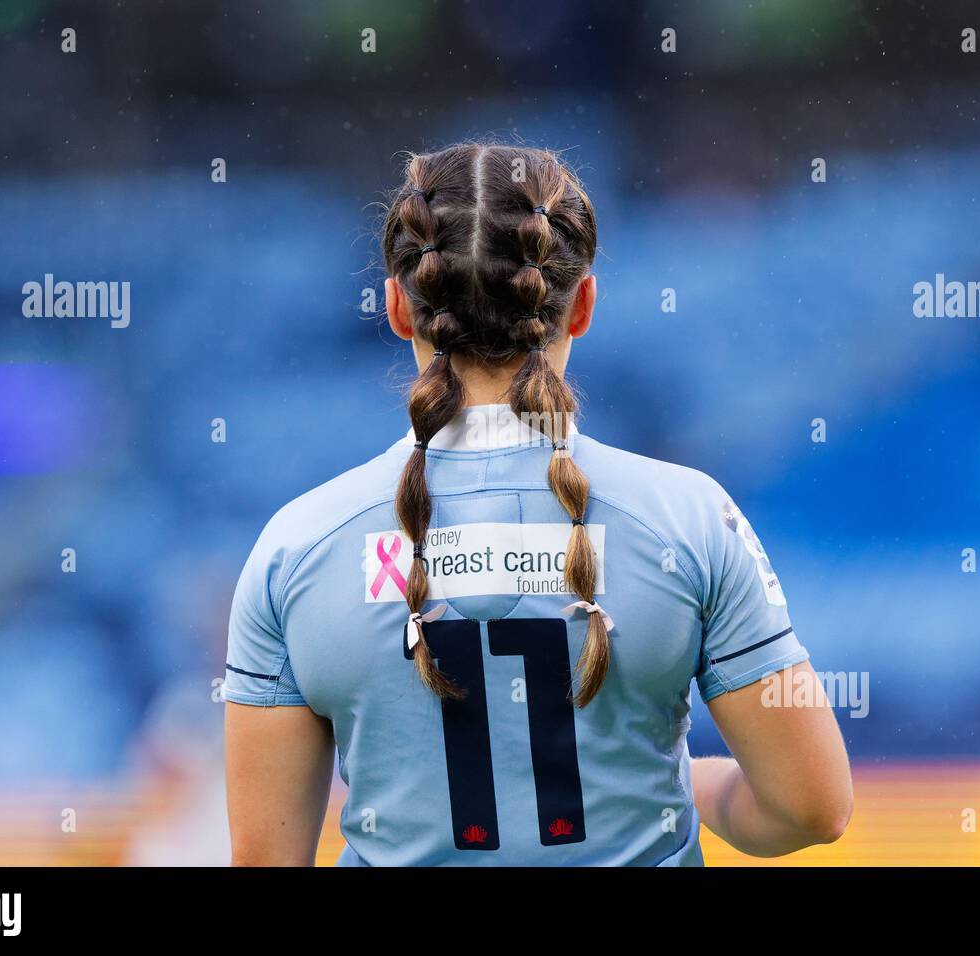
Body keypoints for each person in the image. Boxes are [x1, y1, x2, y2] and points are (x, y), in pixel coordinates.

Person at [224, 143, 852, 866]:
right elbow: (812, 807)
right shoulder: (690, 518)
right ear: (581, 304)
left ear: (399, 307)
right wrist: (695, 787)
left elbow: (266, 860)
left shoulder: (296, 547)